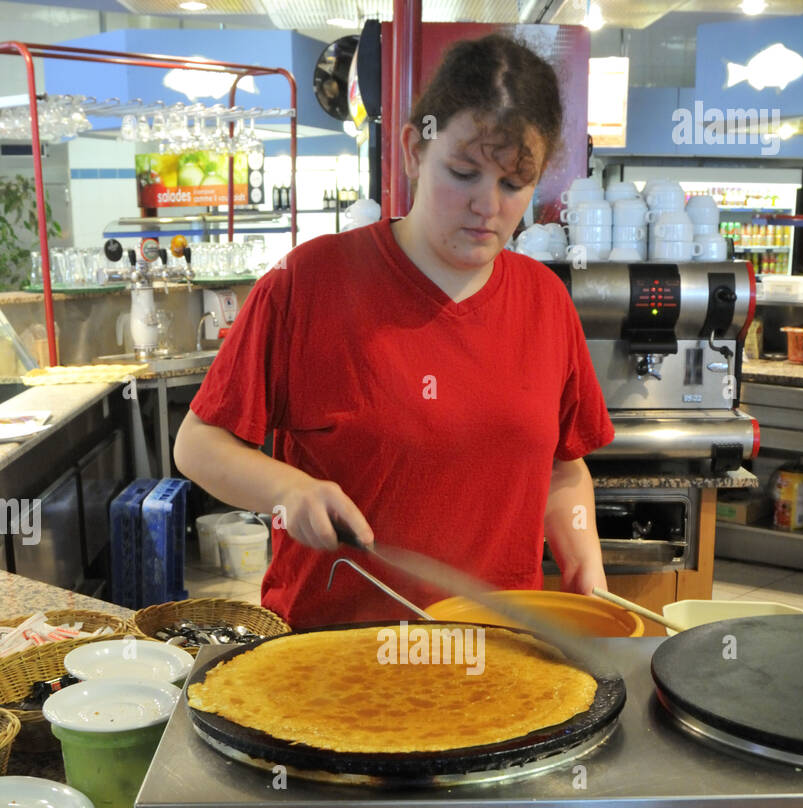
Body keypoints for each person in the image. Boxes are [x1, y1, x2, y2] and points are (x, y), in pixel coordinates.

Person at [175, 34, 614, 630]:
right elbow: (199, 444)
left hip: (500, 656)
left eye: (515, 185)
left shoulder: (544, 301)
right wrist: (288, 489)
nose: (488, 206)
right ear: (413, 149)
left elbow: (562, 469)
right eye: (464, 172)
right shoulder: (309, 282)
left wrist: (584, 562)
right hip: (331, 652)